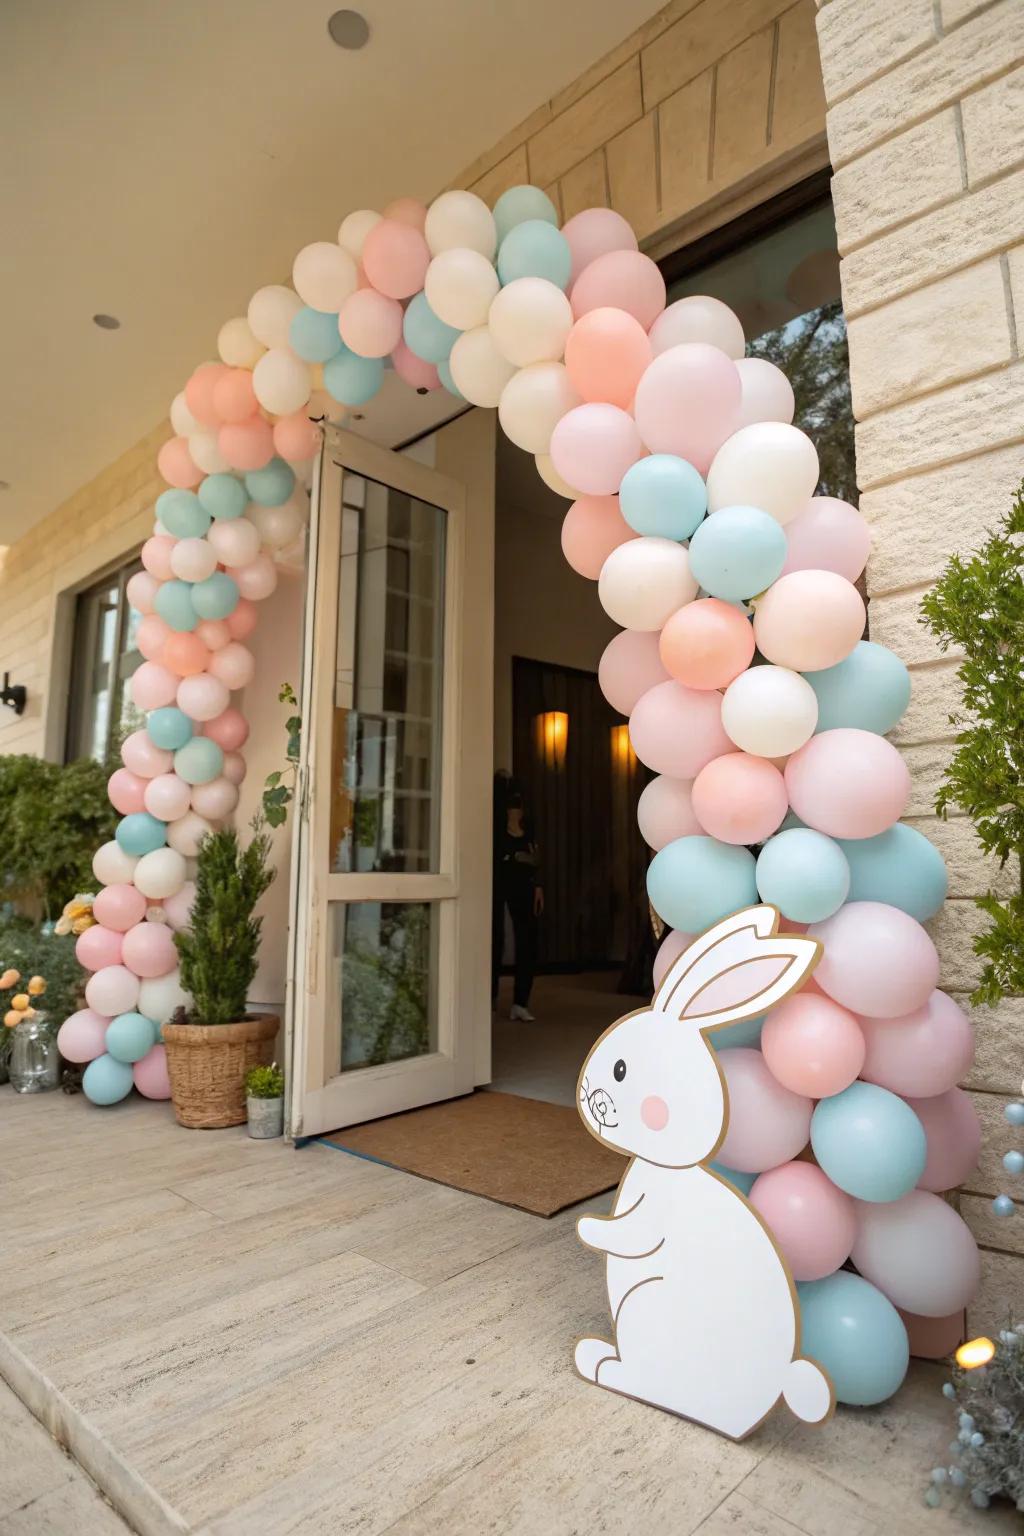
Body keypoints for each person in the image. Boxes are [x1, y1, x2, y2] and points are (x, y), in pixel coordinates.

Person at [492, 774, 544, 1021]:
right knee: (494, 940)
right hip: (497, 884)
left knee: (527, 940)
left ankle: (520, 1002)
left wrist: (538, 885)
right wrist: (516, 858)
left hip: (524, 885)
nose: (516, 810)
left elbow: (535, 858)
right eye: (512, 805)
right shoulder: (495, 828)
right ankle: (489, 998)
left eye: (519, 805)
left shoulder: (529, 826)